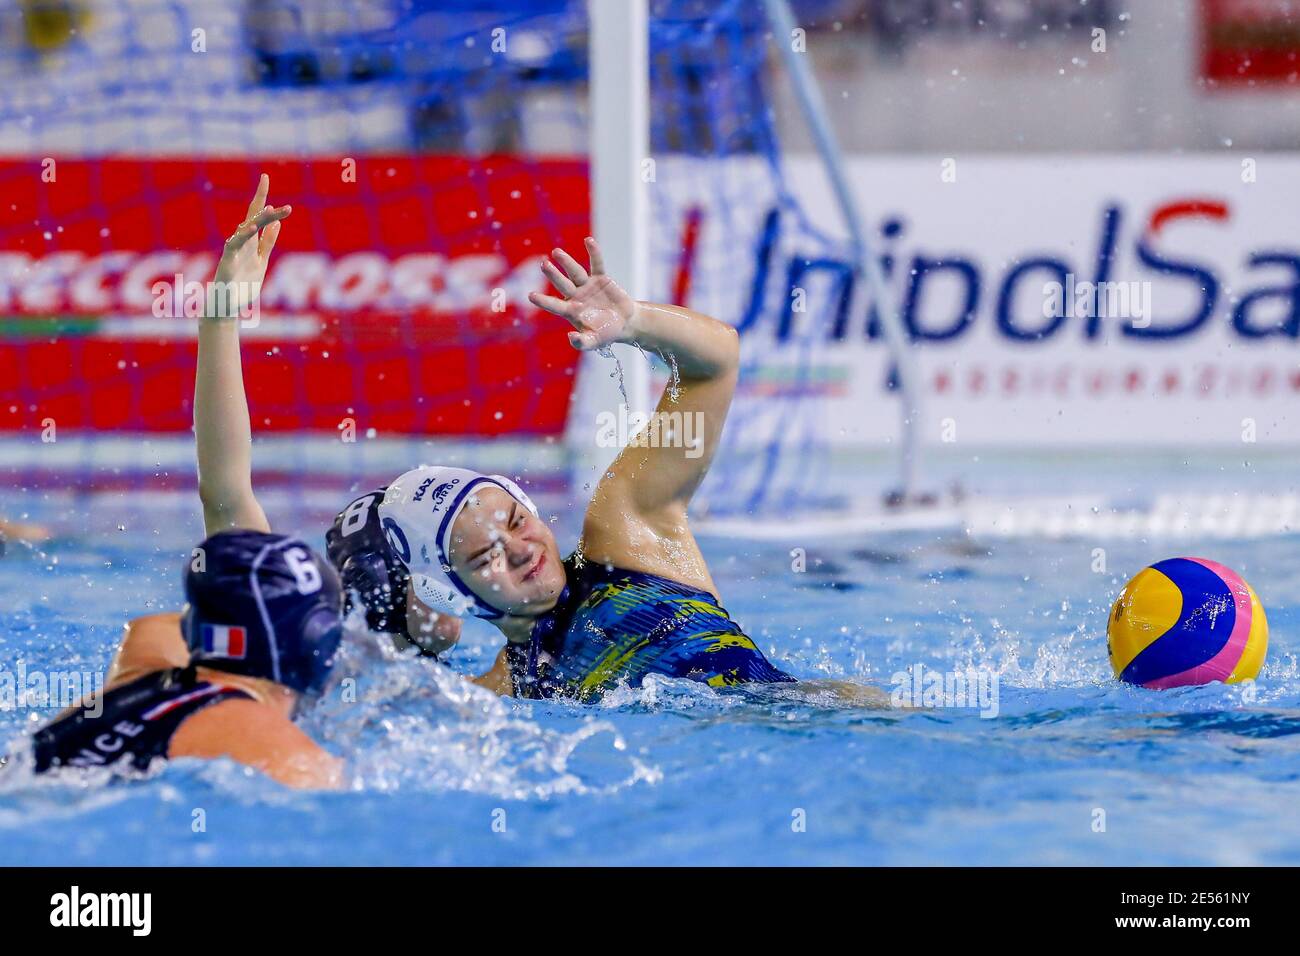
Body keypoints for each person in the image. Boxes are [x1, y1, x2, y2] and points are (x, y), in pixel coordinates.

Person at [377, 238, 836, 702]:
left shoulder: (625, 533)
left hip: (823, 721)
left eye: (517, 521)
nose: (519, 549)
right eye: (485, 556)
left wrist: (638, 323)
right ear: (452, 592)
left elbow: (715, 364)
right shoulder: (504, 691)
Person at [30, 176, 345, 788]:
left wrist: (220, 318)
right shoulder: (287, 755)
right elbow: (224, 497)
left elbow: (225, 496)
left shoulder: (145, 675)